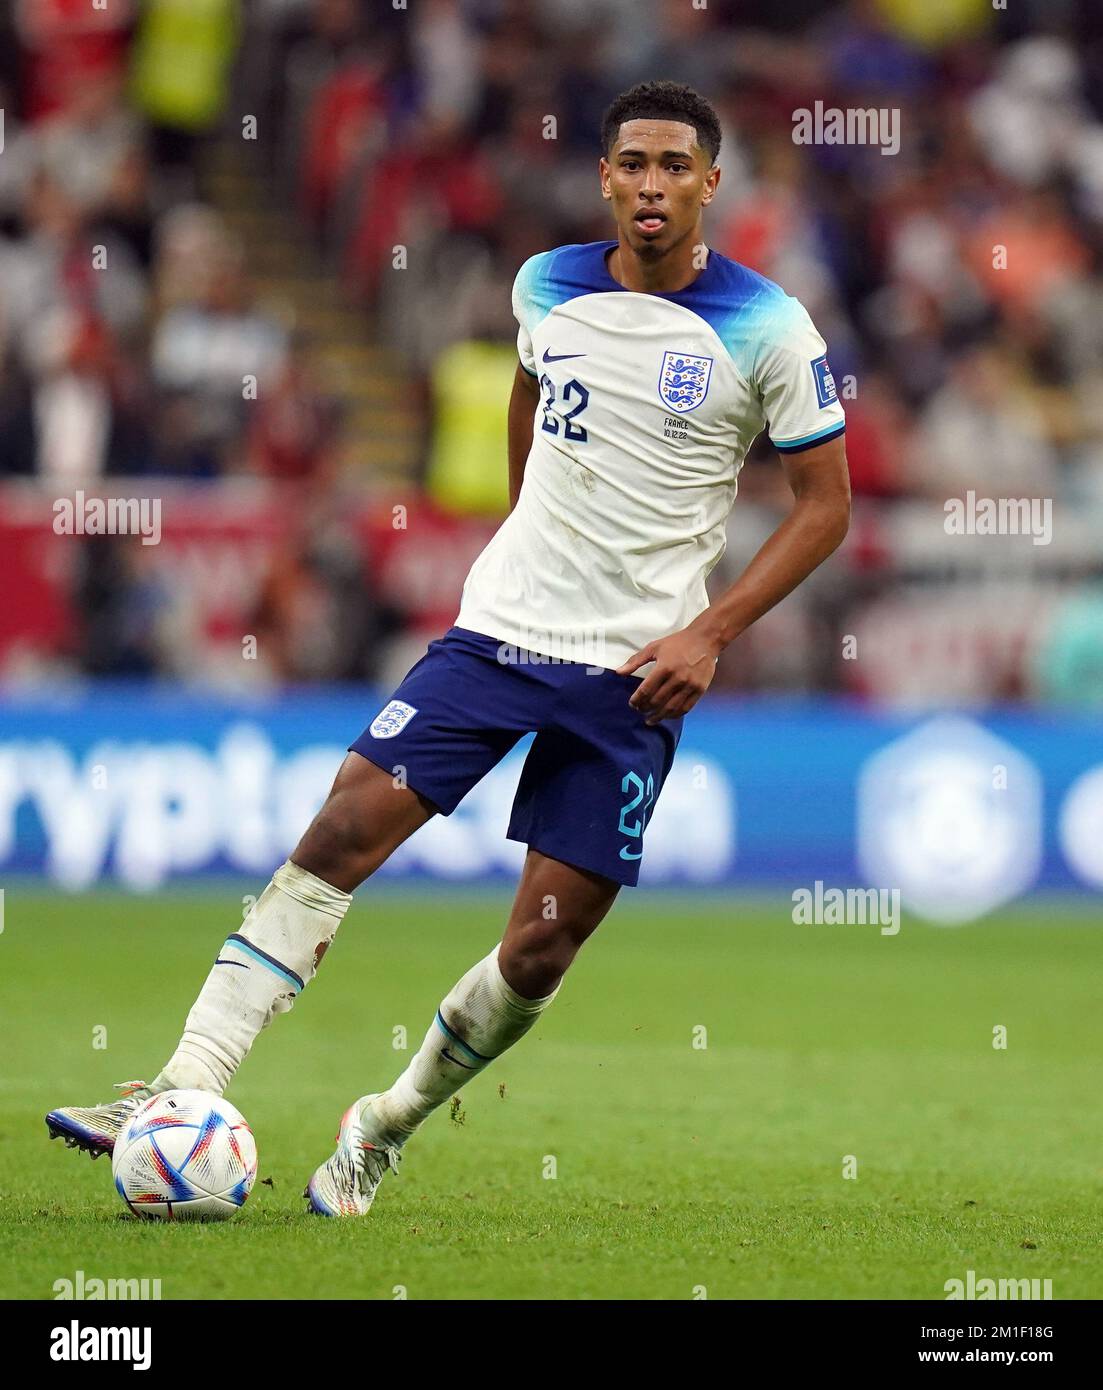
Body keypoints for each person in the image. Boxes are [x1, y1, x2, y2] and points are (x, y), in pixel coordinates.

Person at [46, 80, 851, 1217]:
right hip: (501, 633)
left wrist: (709, 631)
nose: (652, 185)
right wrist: (529, 529)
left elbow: (825, 509)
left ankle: (382, 1124)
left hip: (632, 674)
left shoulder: (770, 327)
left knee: (538, 951)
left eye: (675, 166)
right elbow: (531, 398)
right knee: (339, 826)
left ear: (710, 182)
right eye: (632, 164)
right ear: (605, 178)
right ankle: (180, 1086)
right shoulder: (545, 284)